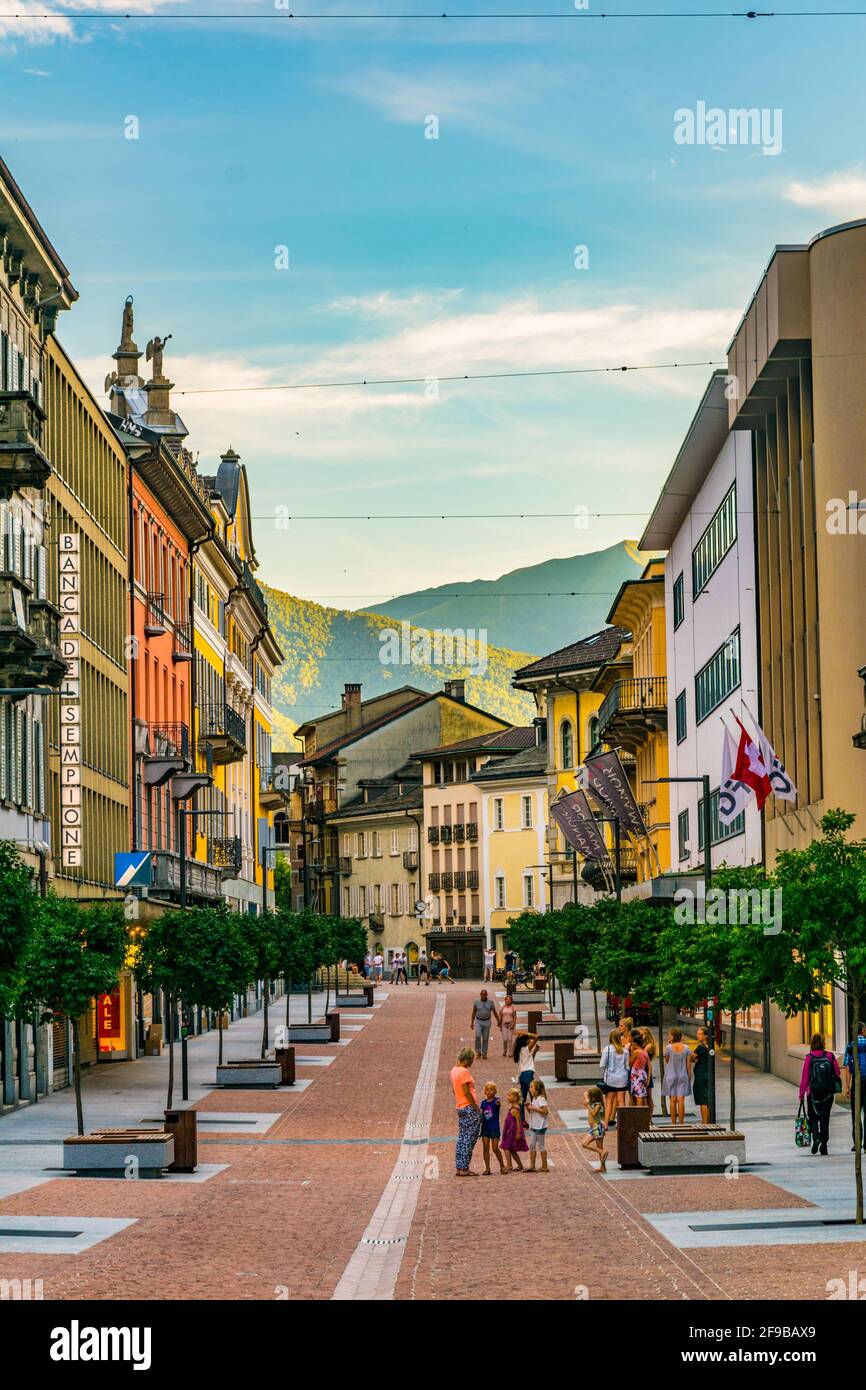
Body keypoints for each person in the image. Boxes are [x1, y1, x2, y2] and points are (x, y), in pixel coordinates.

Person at [799, 1031, 841, 1156]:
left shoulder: (809, 1058)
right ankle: (824, 1145)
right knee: (825, 1118)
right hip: (827, 1093)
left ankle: (816, 1137)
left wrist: (801, 1094)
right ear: (823, 1043)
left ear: (812, 1043)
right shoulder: (830, 1056)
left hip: (813, 1093)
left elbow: (805, 1078)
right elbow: (837, 1073)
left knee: (813, 1118)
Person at [451, 1046, 482, 1176]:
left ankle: (460, 1166)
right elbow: (466, 1091)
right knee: (469, 1138)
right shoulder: (464, 1072)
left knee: (463, 1136)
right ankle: (464, 1167)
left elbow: (454, 1090)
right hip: (469, 1107)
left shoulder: (454, 1070)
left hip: (460, 1106)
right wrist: (475, 1106)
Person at [599, 1028, 631, 1127]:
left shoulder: (607, 1049)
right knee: (621, 1101)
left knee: (609, 1101)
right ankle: (623, 1123)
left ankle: (605, 1124)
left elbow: (602, 1064)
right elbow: (627, 1066)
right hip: (622, 1079)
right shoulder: (625, 1051)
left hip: (610, 1079)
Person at [662, 1027, 692, 1126]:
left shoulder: (669, 1048)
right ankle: (681, 1123)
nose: (668, 1036)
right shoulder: (686, 1048)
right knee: (681, 1100)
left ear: (673, 1036)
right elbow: (688, 1065)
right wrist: (689, 1075)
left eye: (670, 1035)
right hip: (683, 1075)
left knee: (672, 1100)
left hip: (671, 1075)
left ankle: (673, 1124)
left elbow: (667, 1060)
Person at [843, 1022, 866, 1152]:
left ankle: (857, 1142)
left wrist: (847, 1086)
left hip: (856, 1083)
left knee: (855, 1114)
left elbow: (847, 1067)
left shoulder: (851, 1045)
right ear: (862, 1030)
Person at [480, 1083, 506, 1175]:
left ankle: (502, 1166)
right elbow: (482, 1115)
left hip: (494, 1128)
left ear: (495, 1091)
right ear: (484, 1091)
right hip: (485, 1129)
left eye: (491, 1089)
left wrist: (498, 1103)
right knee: (485, 1148)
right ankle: (487, 1168)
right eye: (487, 1089)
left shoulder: (496, 1101)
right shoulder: (483, 1103)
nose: (489, 1091)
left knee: (495, 1148)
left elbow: (498, 1103)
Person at [500, 1087, 528, 1172]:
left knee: (506, 1146)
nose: (507, 1097)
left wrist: (518, 1133)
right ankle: (520, 1165)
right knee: (512, 1149)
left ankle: (509, 1165)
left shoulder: (515, 1109)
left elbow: (519, 1121)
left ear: (515, 1098)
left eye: (509, 1095)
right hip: (510, 1131)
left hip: (512, 1132)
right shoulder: (513, 1107)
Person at [513, 1033, 540, 1118]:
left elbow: (530, 1060)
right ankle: (535, 1117)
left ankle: (522, 1119)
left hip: (522, 1076)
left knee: (522, 1099)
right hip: (528, 1075)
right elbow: (536, 1037)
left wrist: (535, 1051)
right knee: (534, 1097)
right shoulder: (526, 1048)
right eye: (528, 1039)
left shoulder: (520, 1050)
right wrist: (524, 1033)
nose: (530, 1040)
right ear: (525, 1041)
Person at [526, 1078, 549, 1173]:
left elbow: (545, 1111)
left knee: (541, 1145)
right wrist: (528, 1107)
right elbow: (530, 1111)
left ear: (537, 1089)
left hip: (540, 1125)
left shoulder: (541, 1099)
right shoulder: (534, 1099)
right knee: (532, 1145)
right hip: (534, 1125)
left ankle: (544, 1166)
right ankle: (532, 1165)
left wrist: (534, 1108)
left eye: (531, 1087)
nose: (530, 1088)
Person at [582, 1086, 607, 1172]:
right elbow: (585, 1094)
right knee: (599, 1147)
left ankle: (601, 1151)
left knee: (584, 1144)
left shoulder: (598, 1105)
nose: (587, 1097)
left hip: (597, 1127)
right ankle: (603, 1167)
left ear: (594, 1097)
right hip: (593, 1128)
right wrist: (586, 1096)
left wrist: (587, 1105)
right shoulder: (592, 1102)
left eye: (589, 1096)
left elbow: (593, 1113)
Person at [471, 989, 499, 1060]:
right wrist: (472, 1022)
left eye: (485, 994)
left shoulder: (490, 1002)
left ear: (487, 995)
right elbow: (473, 1012)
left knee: (485, 1038)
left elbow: (494, 1012)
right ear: (480, 995)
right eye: (482, 994)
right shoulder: (476, 1002)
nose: (483, 996)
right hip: (478, 1021)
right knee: (477, 1036)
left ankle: (484, 1053)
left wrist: (498, 1020)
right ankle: (478, 1052)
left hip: (487, 1021)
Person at [692, 1027, 711, 1123]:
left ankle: (704, 1123)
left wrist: (693, 1057)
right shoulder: (709, 1046)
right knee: (707, 1099)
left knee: (703, 1100)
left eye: (700, 1034)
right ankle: (707, 1121)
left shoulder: (700, 1047)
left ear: (706, 1036)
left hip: (701, 1075)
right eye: (697, 1033)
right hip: (707, 1073)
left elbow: (692, 1058)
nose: (698, 1035)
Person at [628, 1031, 650, 1113]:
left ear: (635, 1043)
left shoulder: (636, 1052)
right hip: (643, 1073)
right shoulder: (645, 1052)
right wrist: (648, 1078)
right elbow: (649, 1065)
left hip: (636, 1074)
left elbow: (630, 1063)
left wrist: (631, 1051)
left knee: (638, 1096)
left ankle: (639, 1115)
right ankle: (642, 1115)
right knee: (642, 1095)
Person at [639, 1028, 657, 1120]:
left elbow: (642, 1053)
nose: (641, 1037)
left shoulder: (649, 1045)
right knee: (643, 1095)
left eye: (642, 1035)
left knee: (648, 1096)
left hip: (646, 1070)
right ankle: (645, 1117)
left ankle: (649, 1118)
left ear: (647, 1034)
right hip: (641, 1070)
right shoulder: (641, 1045)